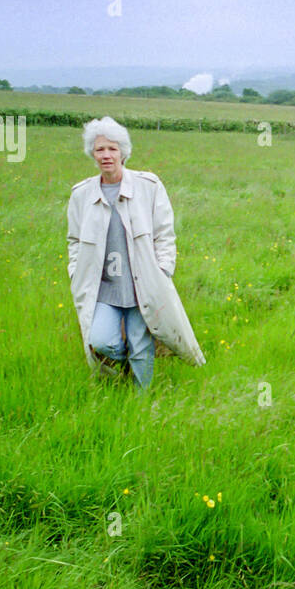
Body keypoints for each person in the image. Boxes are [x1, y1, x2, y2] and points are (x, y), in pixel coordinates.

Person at [66, 116, 205, 389]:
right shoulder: (81, 194)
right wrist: (75, 271)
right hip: (103, 288)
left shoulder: (148, 186)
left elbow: (165, 232)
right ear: (91, 154)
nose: (106, 155)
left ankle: (141, 401)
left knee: (141, 345)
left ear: (123, 152)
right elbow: (73, 239)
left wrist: (163, 270)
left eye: (112, 149)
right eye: (99, 149)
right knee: (102, 341)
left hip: (142, 284)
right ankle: (122, 367)